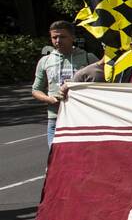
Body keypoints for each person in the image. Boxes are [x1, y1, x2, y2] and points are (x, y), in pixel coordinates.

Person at [32, 20, 96, 149]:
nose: (58, 40)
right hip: (55, 119)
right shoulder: (45, 61)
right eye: (54, 37)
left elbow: (101, 86)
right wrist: (48, 99)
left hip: (82, 118)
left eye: (62, 36)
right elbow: (36, 90)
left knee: (82, 159)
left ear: (73, 37)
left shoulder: (89, 58)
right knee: (55, 159)